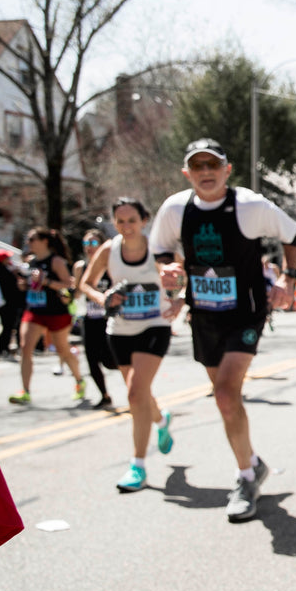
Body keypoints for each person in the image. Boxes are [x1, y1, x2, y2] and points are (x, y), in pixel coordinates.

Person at [150, 138, 296, 523]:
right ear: (187, 173)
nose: (205, 173)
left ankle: (246, 478)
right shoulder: (176, 209)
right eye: (197, 166)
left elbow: (292, 234)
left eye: (212, 165)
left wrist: (289, 279)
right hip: (204, 316)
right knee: (225, 399)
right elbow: (161, 249)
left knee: (226, 394)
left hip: (245, 313)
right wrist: (166, 269)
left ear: (226, 170)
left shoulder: (250, 205)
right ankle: (252, 463)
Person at [80, 198, 180, 492]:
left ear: (144, 220)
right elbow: (86, 283)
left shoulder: (158, 250)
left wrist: (177, 297)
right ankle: (161, 421)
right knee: (141, 394)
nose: (126, 226)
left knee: (135, 393)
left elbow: (183, 276)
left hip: (154, 326)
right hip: (120, 330)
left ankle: (138, 466)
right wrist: (105, 298)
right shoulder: (109, 250)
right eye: (120, 221)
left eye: (132, 220)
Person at [8, 227, 85, 405]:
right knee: (25, 347)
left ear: (45, 241)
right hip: (34, 310)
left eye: (32, 239)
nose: (28, 243)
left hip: (56, 312)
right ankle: (25, 391)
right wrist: (24, 285)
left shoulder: (56, 261)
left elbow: (68, 284)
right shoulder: (31, 262)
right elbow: (31, 285)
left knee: (62, 350)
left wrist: (47, 282)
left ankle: (79, 381)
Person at [74, 230, 117, 409]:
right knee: (92, 360)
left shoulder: (110, 263)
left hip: (109, 318)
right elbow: (77, 292)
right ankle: (104, 395)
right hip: (90, 318)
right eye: (86, 244)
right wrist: (69, 292)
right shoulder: (80, 267)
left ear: (101, 245)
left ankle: (136, 387)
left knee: (111, 360)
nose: (89, 248)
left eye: (92, 244)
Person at [0, 249, 26, 359]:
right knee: (8, 326)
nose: (9, 260)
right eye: (7, 258)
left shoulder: (8, 269)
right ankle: (3, 349)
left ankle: (4, 348)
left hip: (8, 303)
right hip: (6, 304)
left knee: (9, 326)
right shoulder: (2, 271)